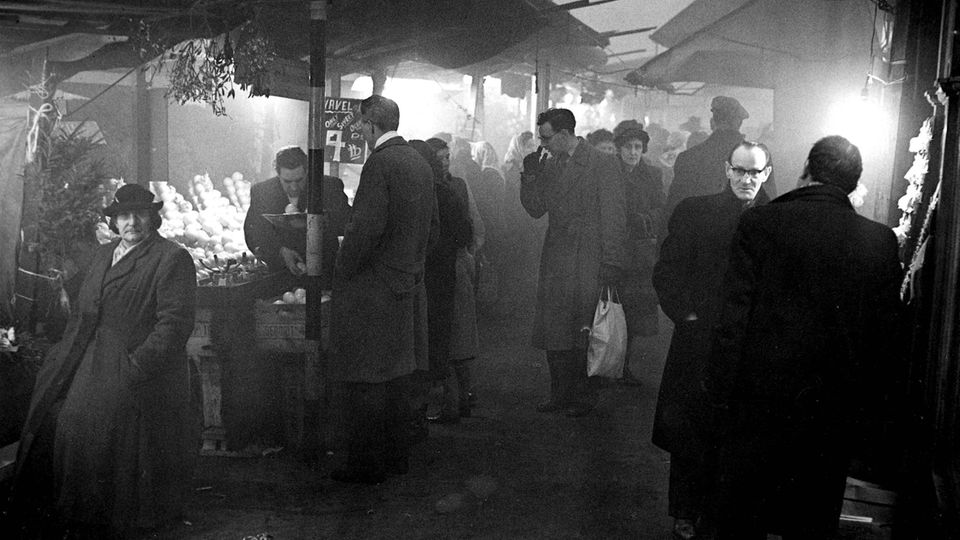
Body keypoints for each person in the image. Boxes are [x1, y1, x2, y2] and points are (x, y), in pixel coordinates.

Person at [707, 136, 903, 540]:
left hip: (758, 398)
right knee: (813, 515)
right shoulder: (879, 241)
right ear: (853, 185)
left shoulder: (761, 223)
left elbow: (735, 316)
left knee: (744, 512)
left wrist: (720, 389)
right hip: (832, 407)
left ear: (806, 172)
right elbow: (884, 341)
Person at [5, 184, 197, 538]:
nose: (132, 222)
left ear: (153, 218)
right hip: (92, 354)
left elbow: (174, 324)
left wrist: (137, 367)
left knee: (91, 421)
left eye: (140, 214)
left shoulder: (170, 258)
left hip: (134, 360)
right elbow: (84, 305)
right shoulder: (103, 253)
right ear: (115, 221)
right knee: (54, 414)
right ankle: (69, 510)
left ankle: (103, 514)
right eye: (124, 215)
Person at [652, 141, 773, 540]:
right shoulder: (695, 211)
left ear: (767, 173)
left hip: (749, 346)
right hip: (699, 342)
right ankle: (685, 510)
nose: (746, 179)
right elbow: (667, 271)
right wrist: (686, 315)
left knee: (737, 435)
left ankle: (724, 513)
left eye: (755, 172)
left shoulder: (777, 222)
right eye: (739, 170)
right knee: (691, 432)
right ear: (726, 169)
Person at [328, 95, 435, 484]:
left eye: (361, 126)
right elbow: (432, 227)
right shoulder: (419, 163)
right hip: (404, 284)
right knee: (395, 377)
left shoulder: (380, 163)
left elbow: (365, 228)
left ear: (372, 125)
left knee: (367, 378)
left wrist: (344, 268)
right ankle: (396, 458)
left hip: (372, 289)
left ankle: (365, 466)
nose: (359, 131)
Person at [521, 108, 627, 418]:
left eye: (547, 138)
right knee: (555, 329)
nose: (543, 145)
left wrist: (612, 261)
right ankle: (560, 393)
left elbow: (614, 215)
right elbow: (536, 209)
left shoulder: (601, 164)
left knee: (584, 329)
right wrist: (530, 177)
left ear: (566, 135)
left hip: (588, 259)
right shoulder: (550, 166)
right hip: (557, 258)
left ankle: (584, 396)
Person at [412, 139, 472, 425]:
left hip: (428, 276)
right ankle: (453, 403)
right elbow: (465, 234)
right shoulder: (448, 193)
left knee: (430, 343)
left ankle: (437, 405)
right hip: (445, 275)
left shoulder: (425, 195)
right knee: (443, 341)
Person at [243, 146, 349, 288]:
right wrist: (280, 252)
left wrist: (326, 219)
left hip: (324, 274)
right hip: (280, 277)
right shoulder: (262, 192)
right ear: (278, 174)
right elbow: (253, 233)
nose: (293, 187)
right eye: (287, 181)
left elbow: (348, 223)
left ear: (307, 172)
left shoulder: (329, 187)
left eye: (299, 180)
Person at [615, 126, 665, 386]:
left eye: (637, 147)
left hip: (639, 255)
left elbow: (661, 208)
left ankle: (623, 366)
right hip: (612, 250)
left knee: (632, 313)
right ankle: (605, 363)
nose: (633, 152)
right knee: (607, 308)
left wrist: (645, 219)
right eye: (628, 147)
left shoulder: (653, 175)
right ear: (619, 148)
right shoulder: (609, 173)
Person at [665, 96, 753, 216]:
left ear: (713, 122)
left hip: (699, 231)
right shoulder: (757, 159)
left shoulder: (689, 158)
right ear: (739, 123)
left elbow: (673, 210)